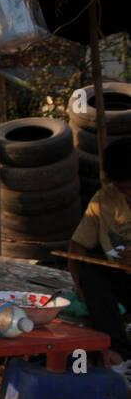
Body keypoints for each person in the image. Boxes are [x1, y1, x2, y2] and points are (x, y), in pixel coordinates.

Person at [68, 138, 131, 381]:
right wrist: (78, 283)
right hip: (122, 280)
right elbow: (78, 245)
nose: (125, 193)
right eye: (121, 187)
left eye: (129, 187)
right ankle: (120, 353)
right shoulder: (105, 198)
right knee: (91, 274)